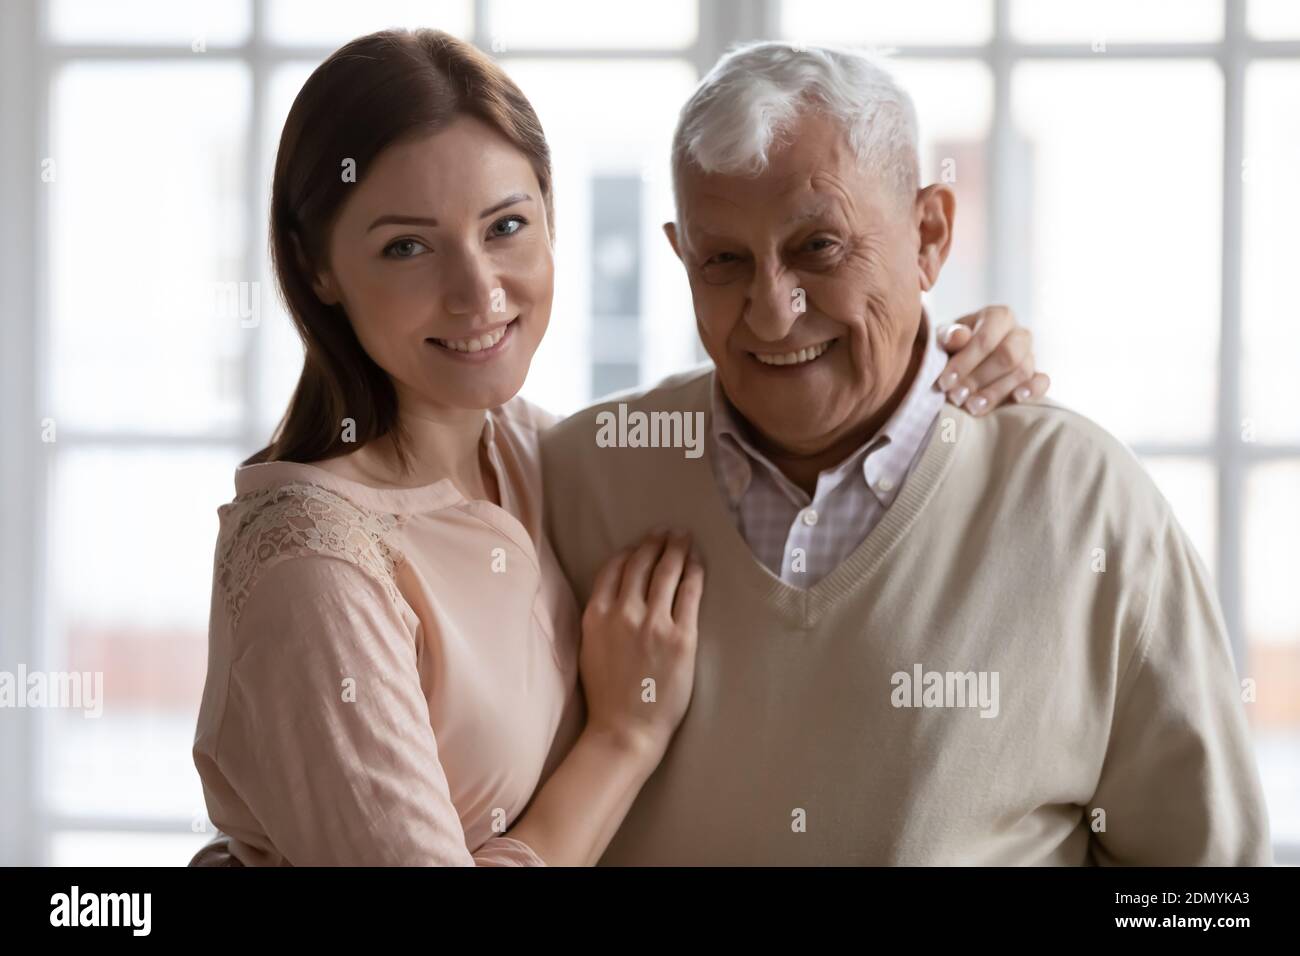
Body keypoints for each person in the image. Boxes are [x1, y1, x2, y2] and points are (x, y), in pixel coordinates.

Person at [190, 29, 1049, 866]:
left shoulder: (540, 456)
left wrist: (950, 354)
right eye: (406, 246)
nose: (477, 292)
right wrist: (624, 737)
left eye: (505, 227)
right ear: (317, 269)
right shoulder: (315, 567)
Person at [540, 42, 1272, 865]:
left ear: (929, 234)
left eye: (819, 247)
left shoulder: (1087, 502)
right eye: (725, 261)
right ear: (682, 258)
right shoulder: (573, 478)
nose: (773, 313)